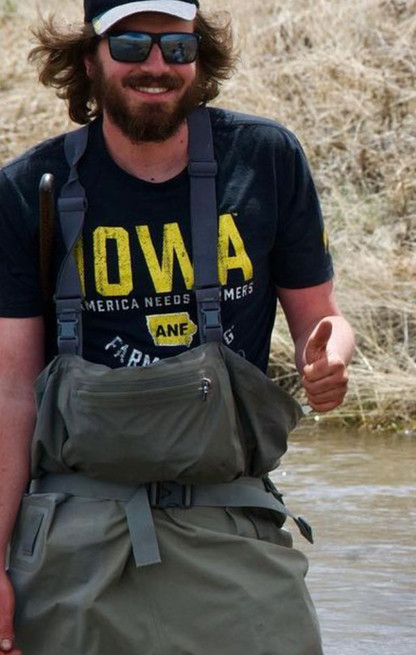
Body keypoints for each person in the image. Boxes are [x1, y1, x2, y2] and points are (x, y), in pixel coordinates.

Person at [0, 1, 354, 653]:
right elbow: (12, 393)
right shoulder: (29, 189)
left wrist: (328, 358)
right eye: (132, 46)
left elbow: (322, 318)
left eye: (177, 49)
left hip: (231, 522)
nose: (156, 65)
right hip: (74, 541)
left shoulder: (266, 159)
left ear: (201, 59)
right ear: (89, 59)